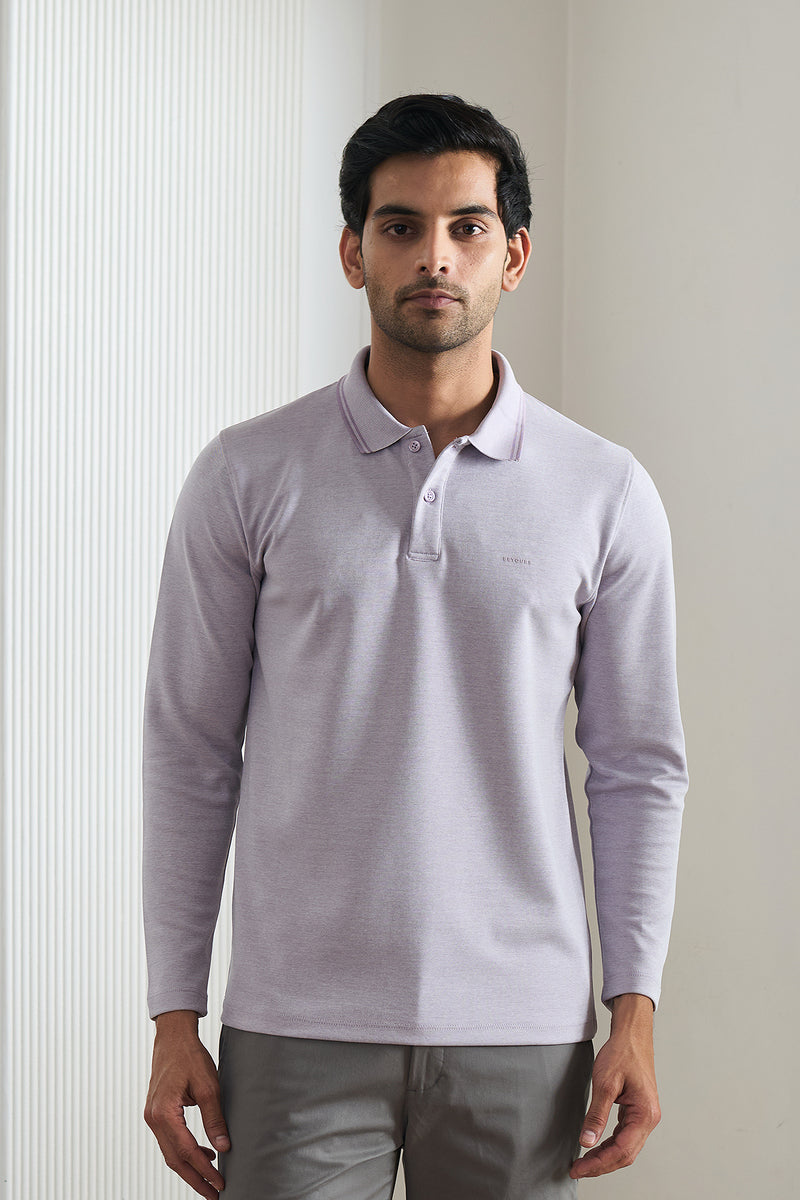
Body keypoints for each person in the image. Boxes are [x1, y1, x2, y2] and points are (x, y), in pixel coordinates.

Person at [142, 94, 687, 1200]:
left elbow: (637, 764)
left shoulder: (604, 491)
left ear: (513, 255)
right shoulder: (247, 476)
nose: (434, 256)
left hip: (523, 1029)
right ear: (354, 253)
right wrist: (173, 1012)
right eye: (400, 227)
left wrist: (632, 1009)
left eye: (466, 227)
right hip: (295, 1021)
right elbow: (189, 753)